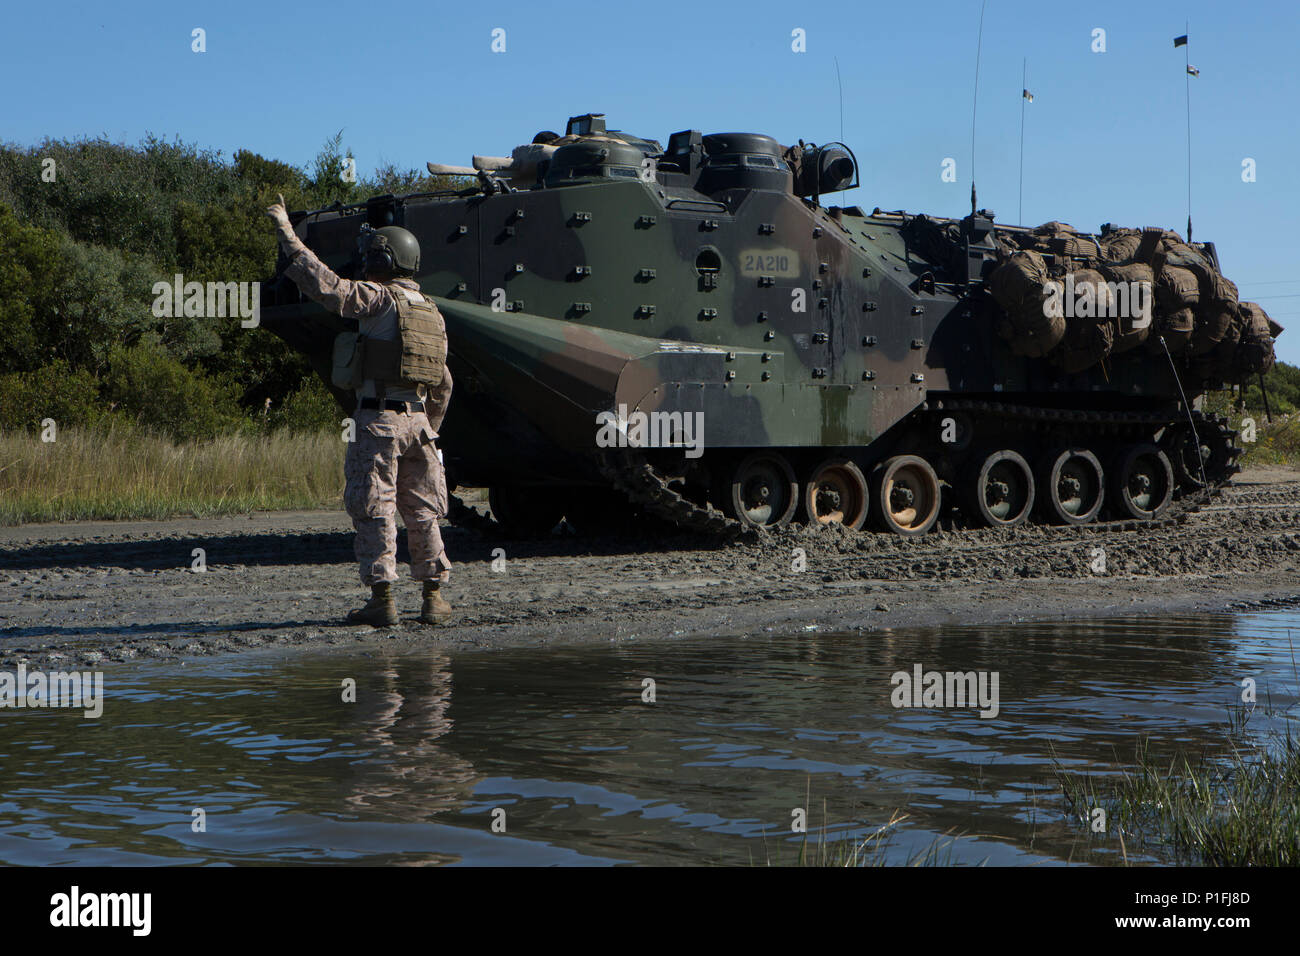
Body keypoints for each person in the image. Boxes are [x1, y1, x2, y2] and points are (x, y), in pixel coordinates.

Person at [266, 194, 453, 626]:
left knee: (376, 507)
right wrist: (430, 427)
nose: (366, 262)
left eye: (372, 256)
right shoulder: (433, 313)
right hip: (420, 424)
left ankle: (382, 599)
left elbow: (328, 287)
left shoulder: (379, 299)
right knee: (423, 511)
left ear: (385, 261)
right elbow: (443, 383)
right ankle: (433, 598)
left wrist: (286, 234)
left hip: (379, 420)